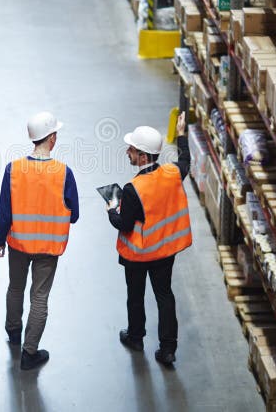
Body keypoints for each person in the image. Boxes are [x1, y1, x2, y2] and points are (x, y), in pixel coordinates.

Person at [0, 111, 79, 371]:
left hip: (18, 244)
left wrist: (0, 241)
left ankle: (13, 331)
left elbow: (4, 212)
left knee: (15, 287)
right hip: (48, 247)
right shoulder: (64, 173)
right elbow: (74, 215)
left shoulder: (14, 170)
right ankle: (29, 352)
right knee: (39, 297)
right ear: (52, 138)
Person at [107, 113, 192, 366]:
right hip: (165, 251)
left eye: (131, 150)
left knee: (135, 295)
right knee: (164, 295)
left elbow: (123, 224)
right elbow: (185, 159)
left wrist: (112, 209)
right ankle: (168, 349)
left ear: (143, 156)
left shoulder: (134, 189)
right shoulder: (173, 173)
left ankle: (135, 337)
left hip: (139, 254)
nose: (127, 152)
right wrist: (182, 135)